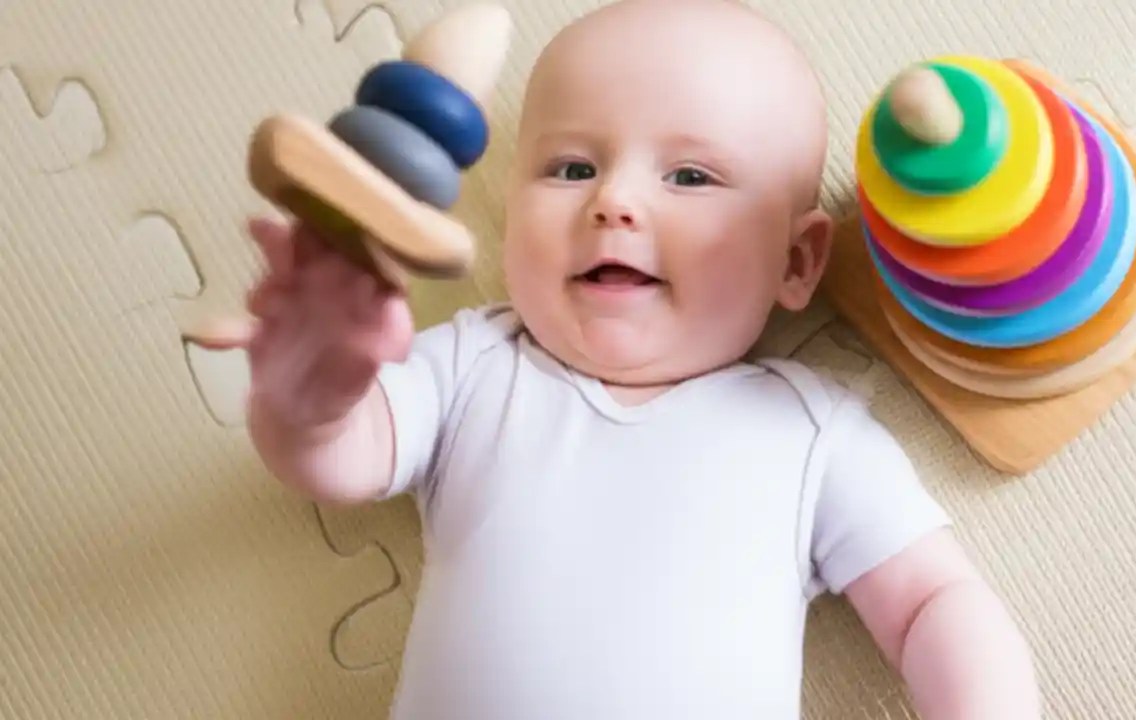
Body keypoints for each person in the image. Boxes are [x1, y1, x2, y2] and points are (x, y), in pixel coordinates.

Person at [240, 0, 1042, 717]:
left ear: (796, 263)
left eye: (690, 175)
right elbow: (340, 458)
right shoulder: (476, 366)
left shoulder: (812, 433)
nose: (611, 200)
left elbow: (932, 601)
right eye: (571, 168)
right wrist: (308, 391)